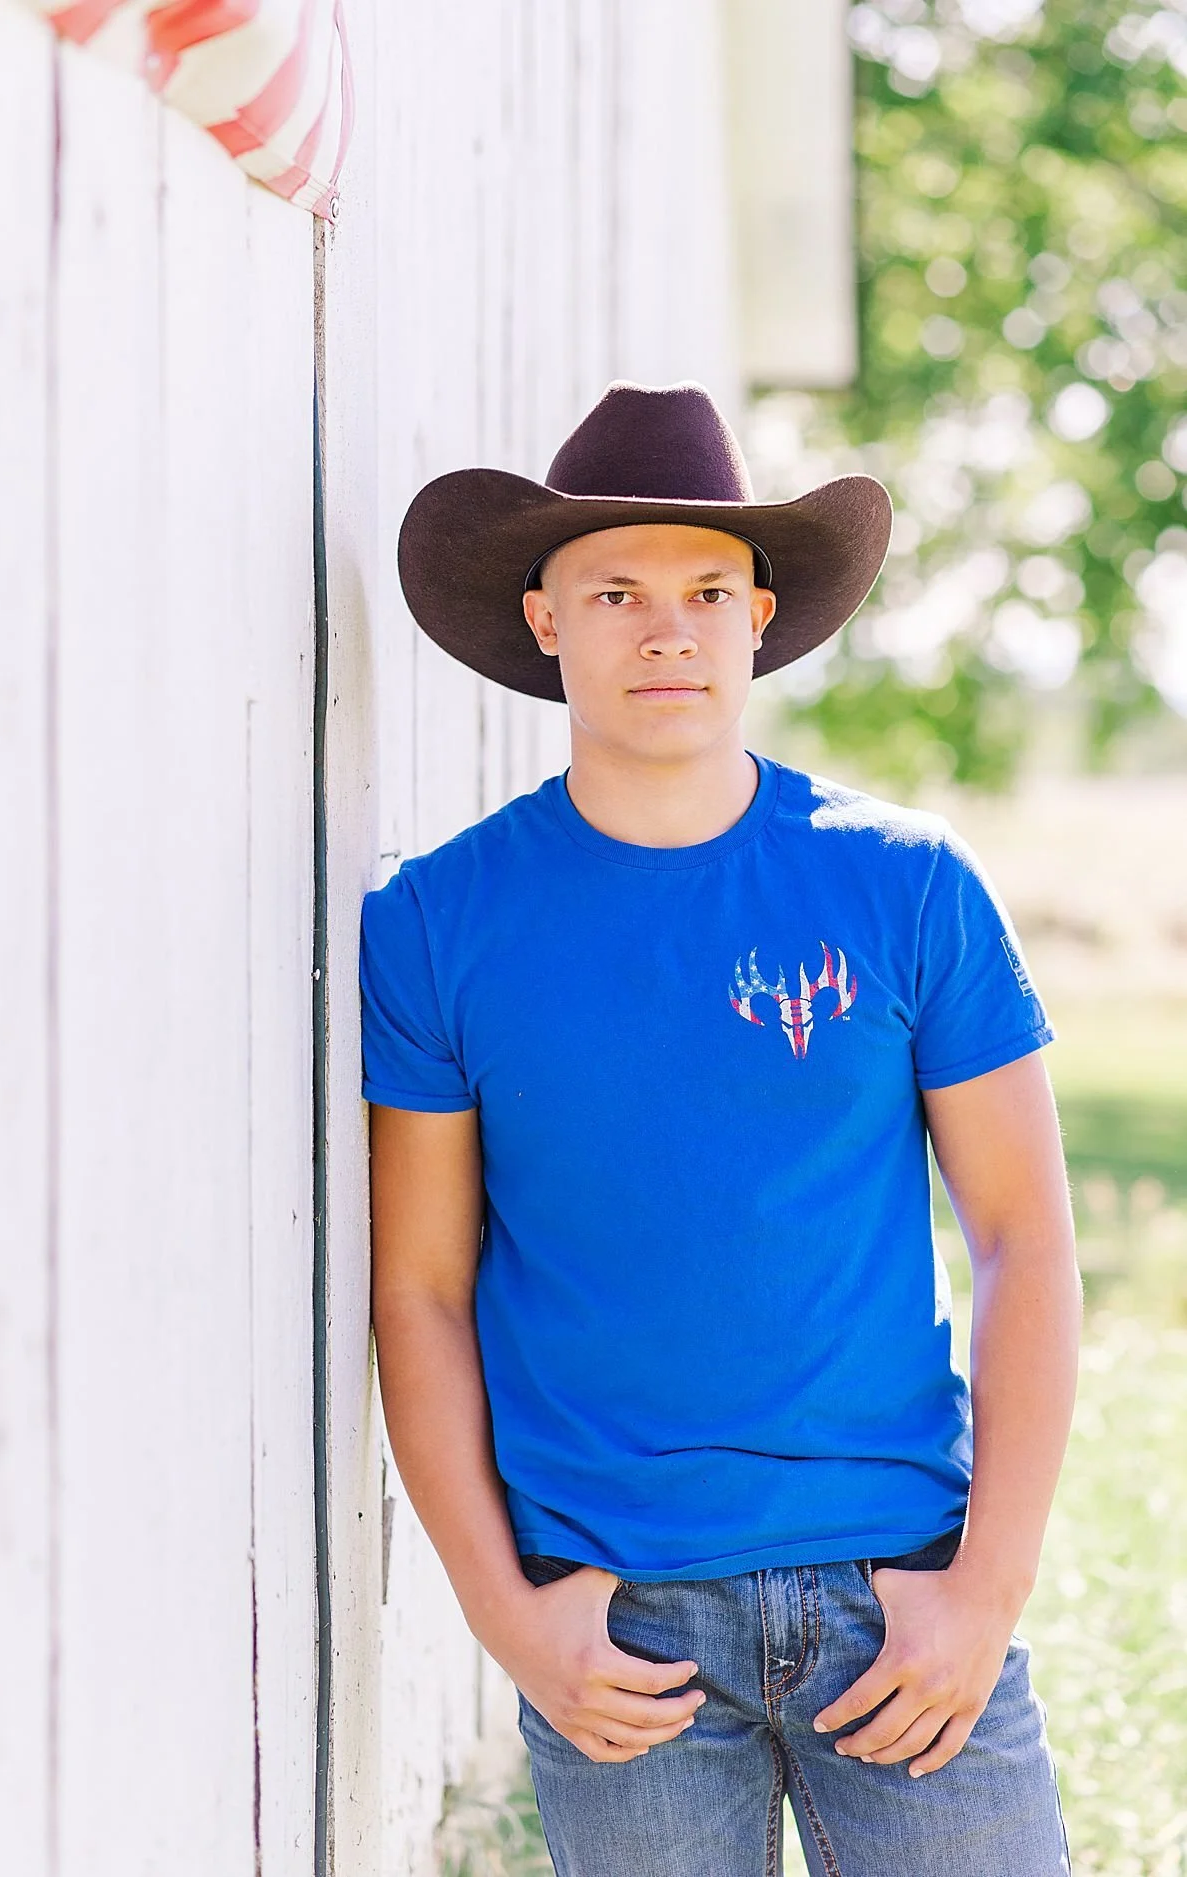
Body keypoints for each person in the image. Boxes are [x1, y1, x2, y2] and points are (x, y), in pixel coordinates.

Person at [365, 382, 1078, 1873]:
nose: (665, 629)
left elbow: (1023, 1239)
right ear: (545, 619)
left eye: (703, 590)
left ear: (761, 616)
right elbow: (420, 1290)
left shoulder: (906, 884)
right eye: (614, 590)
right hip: (620, 1629)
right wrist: (509, 1614)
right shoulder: (438, 921)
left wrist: (988, 1590)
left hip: (898, 1598)